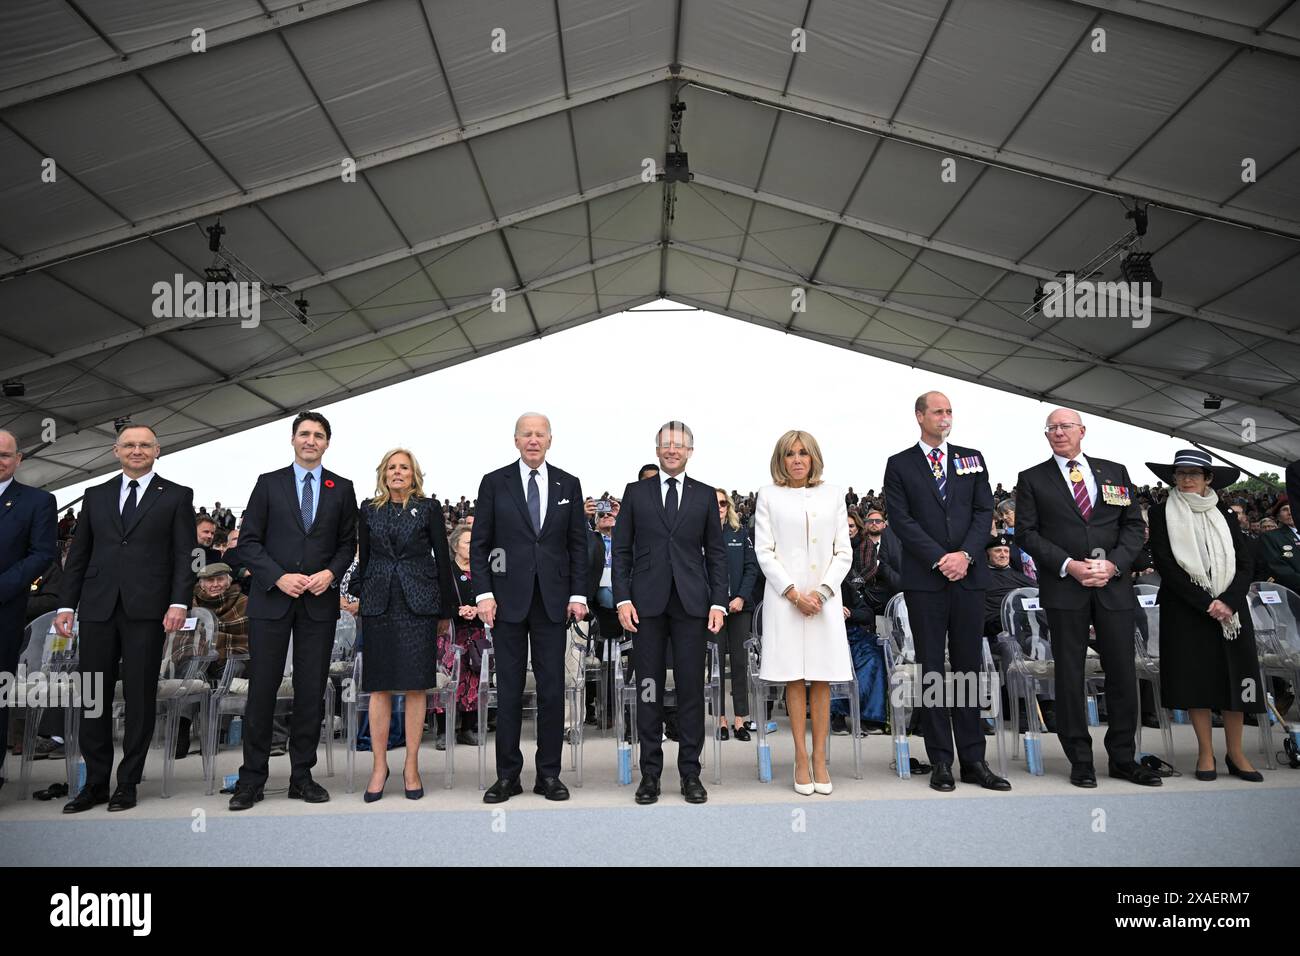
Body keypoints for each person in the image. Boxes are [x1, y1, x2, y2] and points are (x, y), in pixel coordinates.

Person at [1014, 408, 1158, 788]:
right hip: (1066, 588)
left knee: (1123, 673)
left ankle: (1123, 758)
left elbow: (1132, 527)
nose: (1059, 433)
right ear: (1046, 436)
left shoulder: (1115, 472)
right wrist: (1068, 565)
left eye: (1066, 426)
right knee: (1070, 674)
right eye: (1052, 428)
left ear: (1082, 431)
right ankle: (1080, 759)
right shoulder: (1031, 479)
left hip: (1112, 586)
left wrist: (1113, 565)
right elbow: (1027, 534)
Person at [55, 424, 196, 812]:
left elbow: (185, 555)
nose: (137, 450)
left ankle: (127, 782)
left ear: (158, 450)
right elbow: (79, 553)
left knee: (138, 696)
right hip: (98, 607)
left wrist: (178, 602)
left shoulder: (177, 496)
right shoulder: (95, 495)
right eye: (129, 445)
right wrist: (66, 605)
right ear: (116, 451)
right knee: (94, 696)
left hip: (148, 609)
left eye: (145, 445)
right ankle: (96, 782)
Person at [228, 411, 358, 811]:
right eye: (304, 434)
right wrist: (278, 577)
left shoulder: (342, 488)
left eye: (318, 435)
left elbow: (348, 543)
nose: (311, 440)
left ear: (327, 443)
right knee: (263, 690)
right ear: (293, 439)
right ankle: (251, 779)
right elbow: (248, 543)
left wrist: (330, 574)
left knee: (309, 692)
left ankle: (302, 776)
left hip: (318, 604)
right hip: (272, 601)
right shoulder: (268, 485)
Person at [882, 391, 1010, 792]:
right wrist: (941, 559)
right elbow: (901, 520)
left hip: (969, 578)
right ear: (919, 416)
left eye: (950, 411)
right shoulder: (900, 464)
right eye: (938, 411)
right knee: (933, 668)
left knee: (970, 666)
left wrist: (967, 555)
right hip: (927, 580)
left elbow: (982, 511)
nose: (945, 417)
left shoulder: (971, 458)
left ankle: (973, 758)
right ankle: (941, 759)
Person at [470, 413, 588, 804]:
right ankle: (508, 776)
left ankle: (549, 774)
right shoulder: (494, 483)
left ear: (550, 440)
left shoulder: (567, 484)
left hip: (553, 603)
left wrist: (578, 594)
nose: (533, 440)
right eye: (527, 434)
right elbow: (480, 544)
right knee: (509, 689)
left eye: (540, 435)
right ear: (516, 440)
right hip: (506, 602)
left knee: (552, 689)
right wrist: (483, 594)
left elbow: (577, 545)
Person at [613, 421, 726, 805]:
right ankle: (650, 775)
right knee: (649, 690)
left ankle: (691, 773)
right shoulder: (636, 493)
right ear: (657, 449)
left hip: (693, 604)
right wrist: (623, 599)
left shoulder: (705, 495)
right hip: (646, 606)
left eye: (680, 445)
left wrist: (717, 601)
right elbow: (622, 550)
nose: (672, 450)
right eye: (666, 444)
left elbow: (717, 553)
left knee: (693, 690)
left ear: (691, 451)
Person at [1144, 450, 1265, 782]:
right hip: (1186, 608)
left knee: (1237, 678)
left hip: (1230, 609)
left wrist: (1228, 600)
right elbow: (1166, 563)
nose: (1186, 480)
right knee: (1195, 679)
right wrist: (1205, 602)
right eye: (1180, 474)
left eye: (1193, 474)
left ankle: (1236, 753)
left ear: (1208, 479)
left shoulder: (1224, 511)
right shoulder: (1160, 511)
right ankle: (1205, 752)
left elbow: (1245, 560)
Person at [347, 449, 457, 801]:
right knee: (378, 687)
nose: (398, 473)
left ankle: (411, 764)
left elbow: (442, 555)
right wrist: (357, 594)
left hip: (418, 604)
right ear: (383, 473)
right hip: (379, 602)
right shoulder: (368, 509)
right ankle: (379, 766)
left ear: (414, 474)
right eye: (392, 467)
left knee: (414, 686)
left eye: (404, 468)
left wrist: (445, 609)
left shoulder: (428, 508)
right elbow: (364, 556)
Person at [754, 432, 853, 794]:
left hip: (824, 600)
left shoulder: (834, 494)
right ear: (781, 460)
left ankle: (820, 758)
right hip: (786, 600)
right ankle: (799, 757)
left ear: (814, 458)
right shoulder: (768, 495)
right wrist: (795, 594)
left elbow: (843, 550)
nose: (797, 460)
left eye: (803, 453)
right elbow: (765, 551)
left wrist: (823, 592)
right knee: (794, 677)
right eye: (790, 454)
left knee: (822, 678)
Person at [0, 429, 58, 794]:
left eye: (4, 455)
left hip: (4, 610)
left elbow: (41, 554)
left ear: (18, 459)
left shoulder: (38, 502)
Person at [715, 487, 758, 741]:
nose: (718, 507)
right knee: (716, 663)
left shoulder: (740, 533)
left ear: (728, 506)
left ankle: (740, 719)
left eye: (722, 503)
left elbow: (751, 567)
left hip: (741, 607)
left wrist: (741, 596)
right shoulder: (699, 534)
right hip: (714, 610)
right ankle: (720, 719)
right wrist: (716, 603)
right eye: (714, 503)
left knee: (741, 663)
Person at [442, 524, 488, 747]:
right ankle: (443, 730)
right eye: (468, 543)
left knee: (473, 679)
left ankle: (467, 729)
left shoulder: (482, 570)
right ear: (455, 546)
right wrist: (457, 610)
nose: (472, 547)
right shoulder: (445, 570)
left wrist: (477, 610)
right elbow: (437, 599)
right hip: (449, 632)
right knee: (447, 678)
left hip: (476, 632)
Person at [1257, 494, 1300, 591]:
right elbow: (1278, 568)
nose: (1290, 512)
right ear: (1278, 517)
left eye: (1293, 508)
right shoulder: (1271, 537)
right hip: (1293, 594)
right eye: (1285, 509)